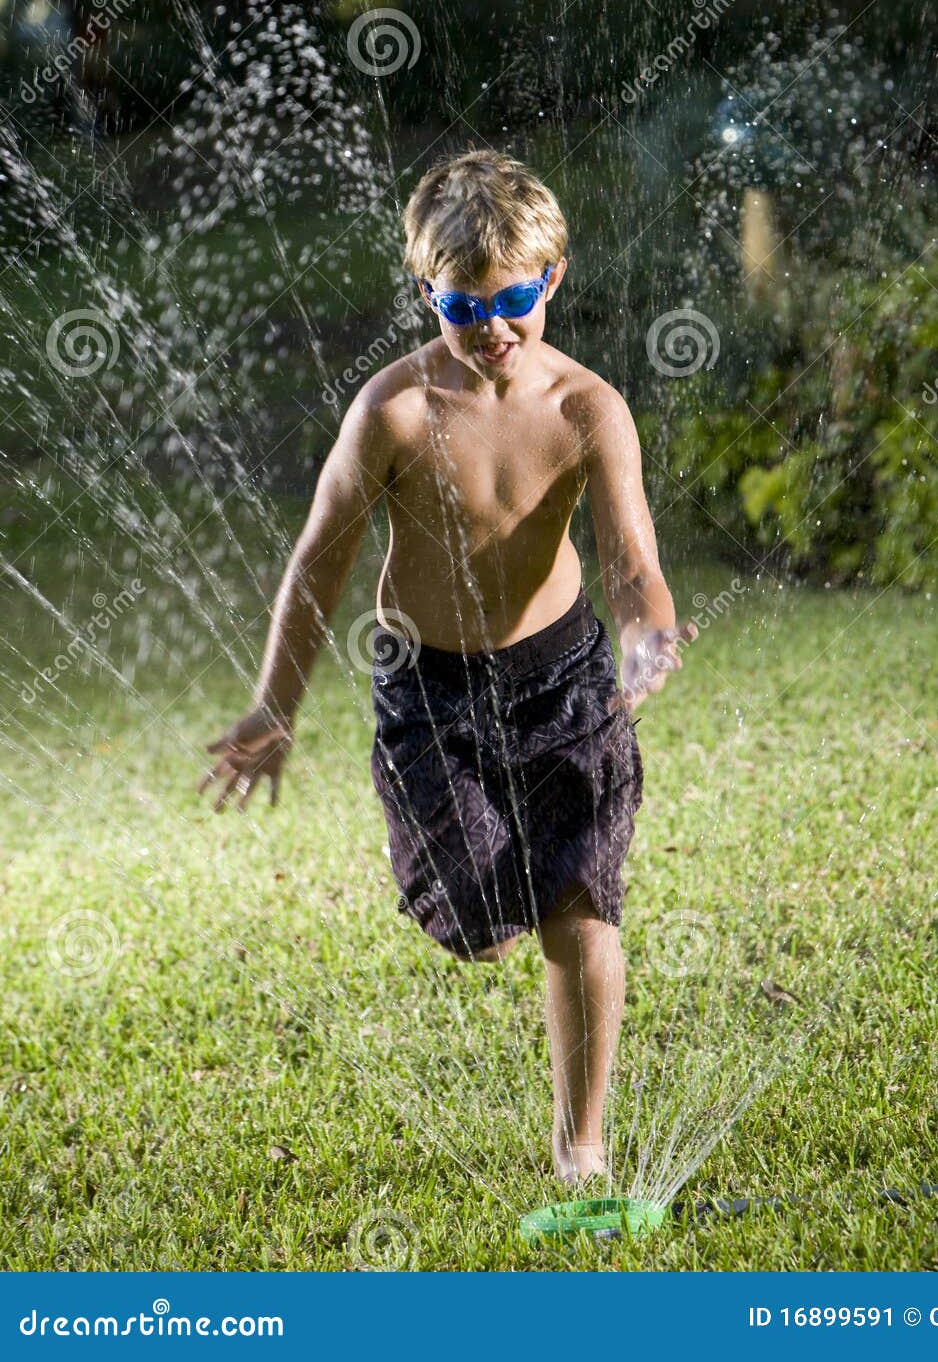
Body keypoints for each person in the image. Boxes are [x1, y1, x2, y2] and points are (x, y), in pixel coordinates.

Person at [200, 149, 696, 1183]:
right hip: (429, 694)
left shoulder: (587, 407)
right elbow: (316, 564)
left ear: (552, 278)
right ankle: (487, 910)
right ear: (426, 290)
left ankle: (581, 1150)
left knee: (581, 905)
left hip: (564, 679)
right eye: (463, 307)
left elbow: (630, 560)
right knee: (482, 926)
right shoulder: (392, 410)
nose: (493, 327)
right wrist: (274, 707)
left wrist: (646, 630)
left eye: (514, 300)